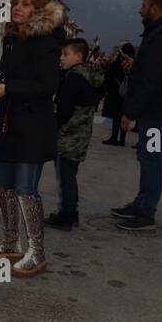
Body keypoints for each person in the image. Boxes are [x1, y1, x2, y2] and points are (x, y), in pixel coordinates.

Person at [0, 0, 61, 275]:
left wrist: (8, 88)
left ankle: (36, 252)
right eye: (16, 3)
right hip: (9, 124)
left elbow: (47, 85)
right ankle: (10, 242)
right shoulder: (12, 39)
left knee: (25, 189)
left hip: (33, 126)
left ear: (39, 9)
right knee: (3, 183)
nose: (18, 7)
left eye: (26, 4)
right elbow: (15, 73)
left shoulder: (46, 40)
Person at [112, 0, 162, 230]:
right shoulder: (160, 33)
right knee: (146, 157)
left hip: (157, 112)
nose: (139, 10)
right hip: (157, 109)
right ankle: (141, 202)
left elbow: (152, 79)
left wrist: (131, 112)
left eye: (143, 6)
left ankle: (147, 213)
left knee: (151, 159)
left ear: (155, 8)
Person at [48, 37, 103, 229]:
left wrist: (51, 129)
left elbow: (63, 110)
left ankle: (67, 216)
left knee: (65, 179)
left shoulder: (73, 78)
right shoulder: (90, 75)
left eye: (65, 54)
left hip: (68, 138)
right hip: (80, 137)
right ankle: (70, 212)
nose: (61, 58)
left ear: (78, 56)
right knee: (69, 177)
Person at [100, 44, 132, 145]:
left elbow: (108, 79)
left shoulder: (116, 64)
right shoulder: (133, 64)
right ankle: (122, 139)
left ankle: (114, 137)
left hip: (116, 94)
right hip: (128, 95)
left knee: (116, 117)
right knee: (124, 117)